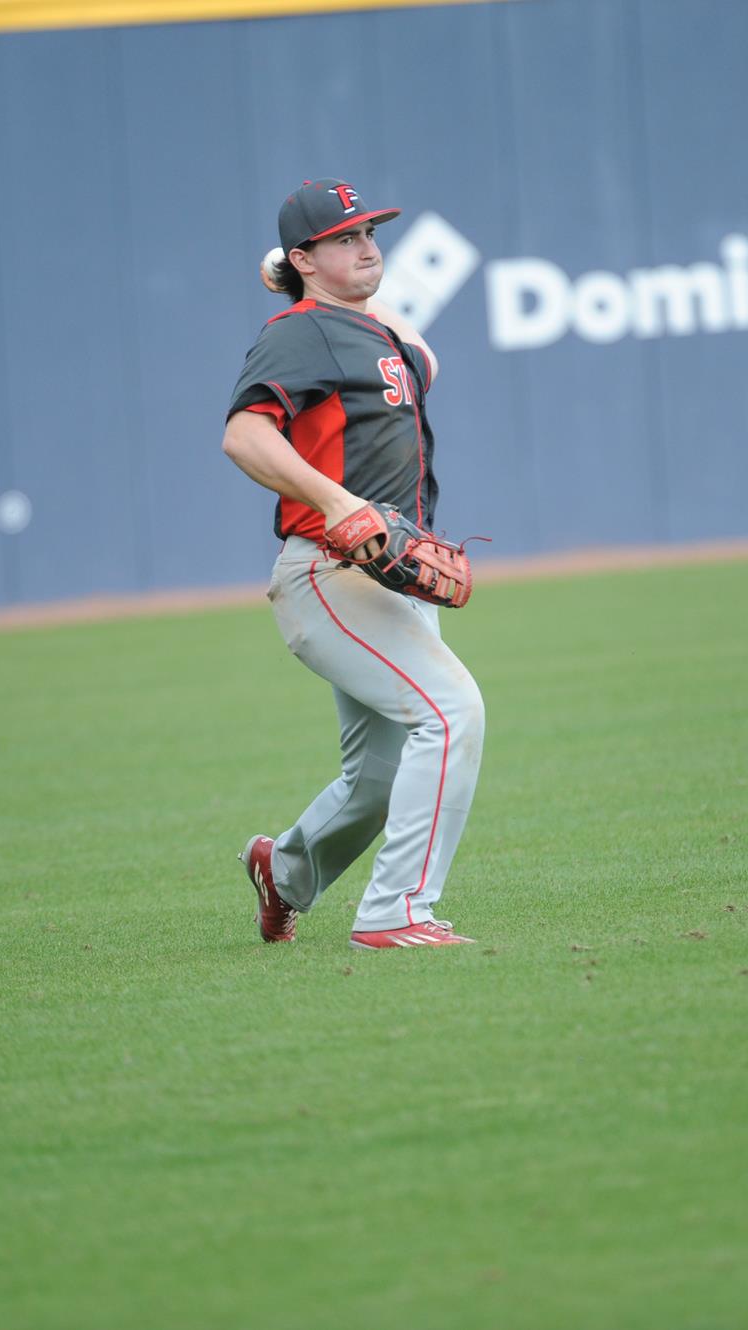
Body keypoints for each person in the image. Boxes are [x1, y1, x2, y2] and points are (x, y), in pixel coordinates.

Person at [221, 178, 486, 951]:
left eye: (370, 233)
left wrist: (324, 282)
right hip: (330, 574)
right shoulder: (298, 333)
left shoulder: (369, 334)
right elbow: (244, 436)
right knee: (451, 712)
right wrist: (337, 502)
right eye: (345, 238)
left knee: (375, 780)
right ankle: (395, 912)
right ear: (305, 258)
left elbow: (424, 359)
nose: (368, 247)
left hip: (386, 579)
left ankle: (284, 871)